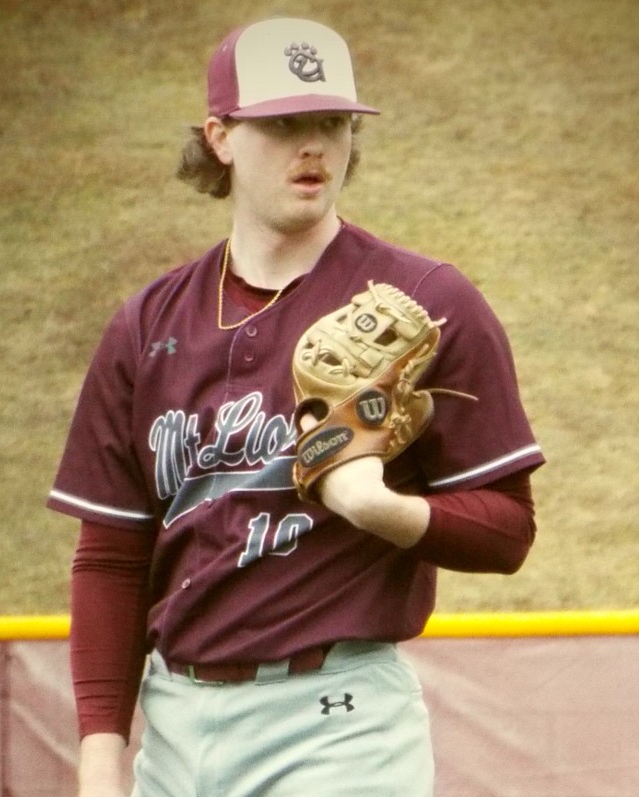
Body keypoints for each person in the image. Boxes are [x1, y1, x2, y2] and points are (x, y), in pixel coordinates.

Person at [46, 16, 545, 797]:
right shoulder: (147, 326)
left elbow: (510, 529)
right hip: (173, 729)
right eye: (282, 124)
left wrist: (379, 508)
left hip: (338, 724)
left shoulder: (424, 303)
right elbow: (112, 553)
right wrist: (101, 754)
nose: (313, 144)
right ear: (220, 136)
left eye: (331, 122)